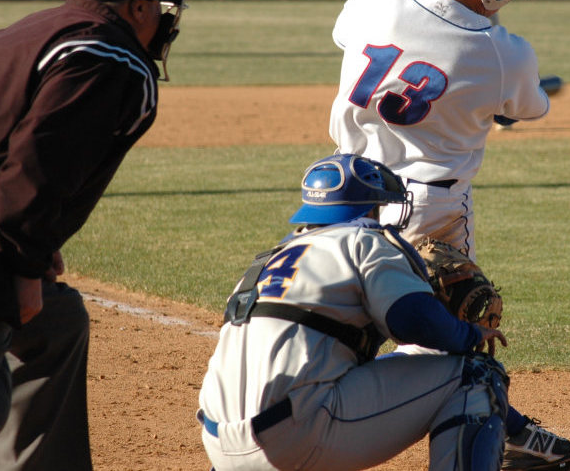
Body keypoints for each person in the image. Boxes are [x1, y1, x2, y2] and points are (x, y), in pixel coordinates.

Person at [329, 0, 570, 469]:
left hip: (339, 198)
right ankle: (502, 436)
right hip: (429, 212)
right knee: (458, 339)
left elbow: (350, 40)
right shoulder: (504, 51)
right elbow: (526, 107)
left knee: (335, 329)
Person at [0, 0, 188, 470]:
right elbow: (32, 170)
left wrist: (35, 245)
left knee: (56, 324)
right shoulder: (111, 57)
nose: (168, 23)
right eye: (166, 9)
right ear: (139, 6)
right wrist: (22, 263)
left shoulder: (39, 27)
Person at [198, 153, 511, 471]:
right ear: (368, 207)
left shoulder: (266, 261)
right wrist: (468, 333)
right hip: (295, 436)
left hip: (219, 446)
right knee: (477, 375)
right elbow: (412, 319)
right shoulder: (364, 241)